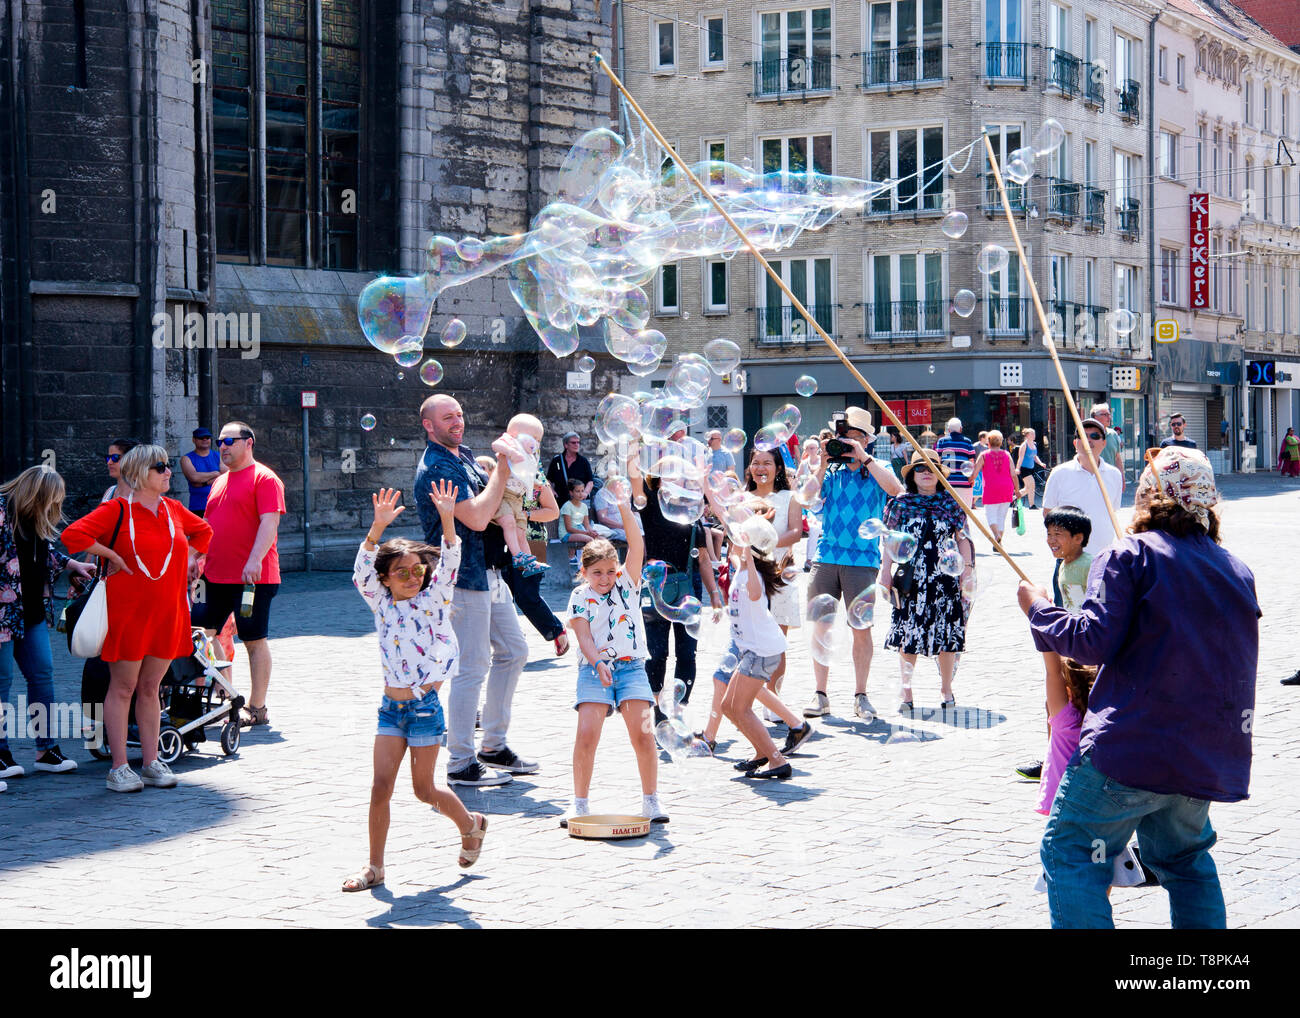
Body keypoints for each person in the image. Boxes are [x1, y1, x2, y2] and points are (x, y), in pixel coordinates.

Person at [1019, 446, 1258, 929]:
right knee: (1186, 861)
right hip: (1204, 752)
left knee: (1071, 852)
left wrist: (1037, 608)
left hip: (1132, 746)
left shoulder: (1129, 555)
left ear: (1150, 496)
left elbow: (1089, 642)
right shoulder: (1235, 568)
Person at [342, 484, 487, 891]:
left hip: (424, 709)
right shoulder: (381, 603)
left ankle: (470, 824)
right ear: (384, 579)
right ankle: (375, 868)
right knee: (379, 787)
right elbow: (360, 573)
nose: (411, 578)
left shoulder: (434, 598)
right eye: (400, 573)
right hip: (390, 708)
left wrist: (446, 517)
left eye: (417, 571)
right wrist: (376, 529)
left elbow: (452, 560)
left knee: (424, 790)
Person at [62, 446, 212, 793]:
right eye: (161, 467)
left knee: (151, 688)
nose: (169, 472)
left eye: (168, 466)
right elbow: (72, 537)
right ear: (140, 473)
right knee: (124, 687)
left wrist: (189, 557)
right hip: (128, 615)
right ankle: (118, 767)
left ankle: (150, 761)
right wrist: (110, 553)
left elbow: (204, 532)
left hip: (167, 612)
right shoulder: (117, 510)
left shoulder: (174, 509)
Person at [414, 394, 535, 787]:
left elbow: (499, 501)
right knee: (471, 668)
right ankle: (460, 761)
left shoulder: (463, 456)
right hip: (461, 577)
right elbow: (480, 517)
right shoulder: (438, 466)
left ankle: (493, 745)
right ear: (428, 425)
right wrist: (502, 463)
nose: (457, 422)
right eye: (447, 417)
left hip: (489, 572)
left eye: (460, 415)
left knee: (515, 651)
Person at [565, 495, 667, 824]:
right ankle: (580, 803)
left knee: (642, 734)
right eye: (597, 573)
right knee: (587, 734)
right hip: (594, 669)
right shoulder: (580, 595)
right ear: (584, 572)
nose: (605, 578)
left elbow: (636, 544)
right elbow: (582, 637)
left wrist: (625, 506)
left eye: (610, 570)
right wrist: (598, 664)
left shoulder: (627, 583)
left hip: (632, 666)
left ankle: (651, 801)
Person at [803, 407, 903, 722]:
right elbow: (806, 499)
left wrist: (865, 458)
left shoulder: (879, 466)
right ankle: (820, 695)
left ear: (864, 440)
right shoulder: (829, 471)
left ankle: (861, 694)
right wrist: (819, 466)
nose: (845, 443)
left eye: (852, 438)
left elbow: (896, 490)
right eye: (841, 437)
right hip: (826, 556)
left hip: (862, 560)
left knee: (861, 628)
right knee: (821, 627)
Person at [0, 466, 97, 784]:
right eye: (52, 500)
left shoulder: (34, 517)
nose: (55, 507)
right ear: (37, 494)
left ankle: (46, 751)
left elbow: (43, 552)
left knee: (42, 676)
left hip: (31, 612)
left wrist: (72, 564)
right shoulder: (2, 512)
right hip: (2, 615)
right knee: (2, 683)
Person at [190, 421, 285, 728]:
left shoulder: (265, 478)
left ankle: (257, 708)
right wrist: (196, 556)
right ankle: (226, 692)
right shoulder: (220, 481)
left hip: (252, 577)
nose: (223, 446)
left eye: (230, 441)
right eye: (220, 442)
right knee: (201, 632)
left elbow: (269, 523)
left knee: (253, 639)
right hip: (214, 574)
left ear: (249, 443)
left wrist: (255, 559)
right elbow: (208, 526)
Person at [879, 450, 974, 713]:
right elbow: (889, 540)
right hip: (911, 578)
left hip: (944, 577)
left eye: (931, 467)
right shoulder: (901, 504)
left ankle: (946, 689)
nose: (926, 472)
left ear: (940, 475)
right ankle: (906, 691)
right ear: (912, 475)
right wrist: (885, 571)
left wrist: (966, 569)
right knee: (908, 635)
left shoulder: (951, 503)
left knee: (946, 635)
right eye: (920, 468)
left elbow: (963, 538)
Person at [738, 448, 802, 721]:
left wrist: (766, 540)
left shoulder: (789, 497)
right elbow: (735, 538)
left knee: (777, 641)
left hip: (779, 572)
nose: (760, 468)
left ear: (778, 468)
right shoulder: (742, 499)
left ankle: (773, 700)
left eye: (767, 463)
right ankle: (748, 696)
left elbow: (796, 532)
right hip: (750, 574)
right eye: (755, 463)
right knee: (750, 641)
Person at [501, 467, 569, 657]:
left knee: (526, 595)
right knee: (504, 594)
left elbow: (552, 512)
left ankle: (557, 630)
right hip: (504, 541)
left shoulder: (535, 477)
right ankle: (513, 639)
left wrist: (524, 514)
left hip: (532, 540)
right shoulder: (502, 472)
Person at [1041, 418, 1124, 552]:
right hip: (1070, 555)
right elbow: (1048, 513)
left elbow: (1112, 512)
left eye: (1095, 436)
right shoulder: (1060, 473)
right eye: (1082, 436)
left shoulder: (1114, 475)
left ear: (1104, 443)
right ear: (1075, 443)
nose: (1088, 440)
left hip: (1103, 554)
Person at [488, 413, 547, 577]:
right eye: (533, 437)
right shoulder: (510, 443)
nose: (537, 443)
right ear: (516, 434)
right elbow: (495, 445)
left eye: (539, 440)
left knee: (521, 531)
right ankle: (517, 556)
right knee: (509, 524)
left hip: (518, 499)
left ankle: (530, 561)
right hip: (504, 495)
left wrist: (535, 484)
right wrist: (510, 451)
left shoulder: (530, 457)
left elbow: (524, 476)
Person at [969, 429, 1016, 542]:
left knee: (991, 516)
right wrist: (1017, 490)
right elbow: (1013, 474)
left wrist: (970, 480)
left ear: (988, 442)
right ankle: (998, 543)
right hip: (1007, 487)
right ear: (1000, 442)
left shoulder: (984, 455)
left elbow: (975, 473)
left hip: (991, 488)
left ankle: (996, 535)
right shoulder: (1007, 454)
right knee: (1001, 517)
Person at [180, 428, 225, 517]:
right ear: (194, 440)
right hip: (198, 506)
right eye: (201, 437)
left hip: (220, 504)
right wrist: (216, 473)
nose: (205, 439)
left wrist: (204, 483)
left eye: (207, 437)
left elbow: (226, 475)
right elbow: (194, 477)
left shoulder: (219, 455)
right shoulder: (186, 459)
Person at [560, 479, 605, 566]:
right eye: (577, 491)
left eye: (582, 491)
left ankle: (602, 562)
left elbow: (587, 524)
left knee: (601, 539)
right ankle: (585, 565)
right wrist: (586, 533)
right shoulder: (567, 506)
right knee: (589, 539)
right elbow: (569, 528)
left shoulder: (584, 507)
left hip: (580, 531)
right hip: (567, 534)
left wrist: (591, 531)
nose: (581, 494)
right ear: (571, 493)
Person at [934, 417, 977, 506]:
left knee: (946, 511)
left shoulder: (941, 441)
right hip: (963, 482)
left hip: (946, 482)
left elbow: (938, 460)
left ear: (949, 430)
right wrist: (972, 477)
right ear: (961, 429)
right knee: (964, 511)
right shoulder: (967, 442)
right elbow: (971, 461)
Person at [546, 431, 594, 509]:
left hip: (579, 503)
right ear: (566, 445)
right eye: (573, 443)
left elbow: (590, 481)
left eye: (578, 442)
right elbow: (548, 480)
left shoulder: (583, 461)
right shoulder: (557, 461)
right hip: (561, 503)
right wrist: (552, 492)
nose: (577, 445)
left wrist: (585, 493)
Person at [1090, 404, 1124, 487]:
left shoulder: (1113, 434)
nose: (1109, 417)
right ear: (1095, 416)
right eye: (1105, 415)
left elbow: (1117, 458)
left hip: (1111, 480)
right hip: (1092, 480)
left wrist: (1122, 478)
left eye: (1109, 414)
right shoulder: (1087, 435)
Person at [103, 437, 139, 503]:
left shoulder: (142, 495)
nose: (109, 462)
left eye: (115, 457)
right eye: (108, 458)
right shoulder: (110, 492)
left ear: (131, 460)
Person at [1014, 427, 1041, 509]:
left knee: (1027, 488)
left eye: (1034, 433)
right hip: (1024, 468)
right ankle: (1032, 505)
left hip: (1031, 468)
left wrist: (1040, 463)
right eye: (1032, 434)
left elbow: (1035, 456)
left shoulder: (1034, 444)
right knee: (1032, 485)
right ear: (1027, 435)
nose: (1034, 435)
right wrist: (1017, 468)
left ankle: (1012, 499)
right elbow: (1020, 457)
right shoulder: (1024, 445)